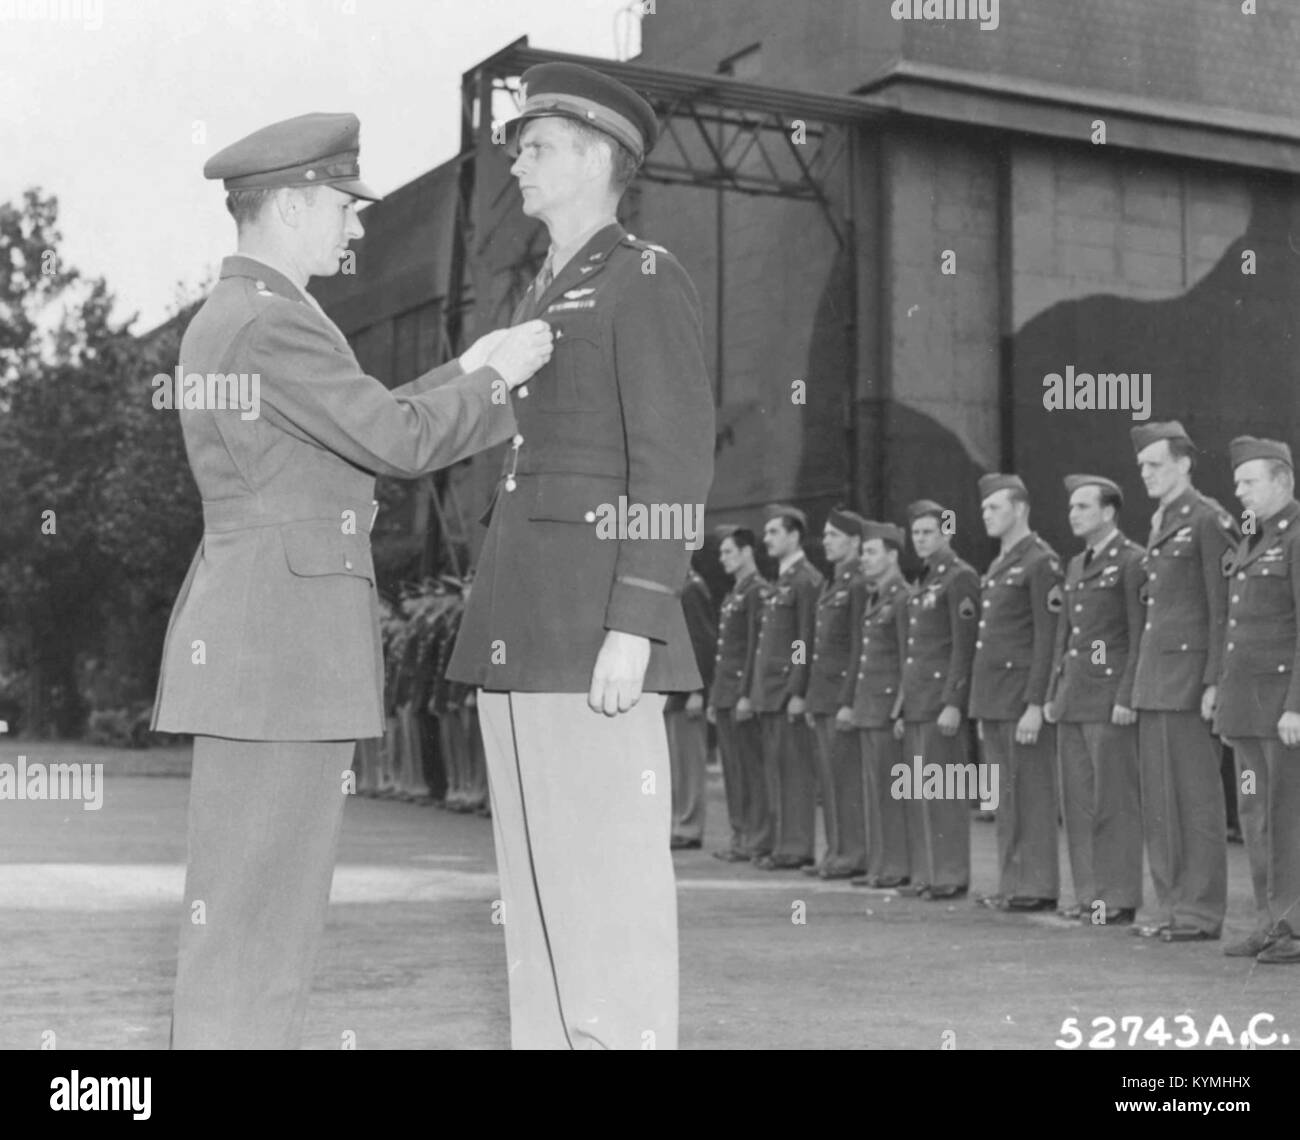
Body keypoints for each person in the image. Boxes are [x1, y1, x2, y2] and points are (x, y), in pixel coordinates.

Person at [151, 111, 552, 1048]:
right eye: (343, 206)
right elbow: (395, 440)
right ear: (291, 204)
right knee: (258, 924)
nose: (356, 226)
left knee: (257, 920)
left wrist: (467, 366)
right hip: (280, 654)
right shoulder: (271, 322)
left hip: (264, 647)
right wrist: (502, 385)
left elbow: (359, 420)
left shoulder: (251, 315)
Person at [444, 63, 716, 1049]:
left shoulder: (642, 275)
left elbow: (674, 463)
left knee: (605, 882)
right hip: (524, 626)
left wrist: (635, 624)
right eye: (518, 144)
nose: (517, 158)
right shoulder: (548, 284)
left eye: (538, 145)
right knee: (537, 886)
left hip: (591, 628)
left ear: (601, 159)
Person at [1128, 421, 1236, 943]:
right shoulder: (1163, 520)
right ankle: (1169, 905)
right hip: (1156, 682)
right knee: (1162, 803)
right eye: (1142, 466)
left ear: (1184, 463)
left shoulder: (1209, 519)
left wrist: (1215, 681)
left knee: (1195, 801)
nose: (1146, 473)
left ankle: (1198, 912)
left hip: (1190, 682)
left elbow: (1223, 609)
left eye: (1155, 464)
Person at [1044, 475, 1145, 926]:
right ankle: (1089, 896)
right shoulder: (1074, 565)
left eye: (1083, 506)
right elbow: (1066, 637)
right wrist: (1053, 693)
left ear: (1108, 512)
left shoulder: (1131, 561)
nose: (1074, 514)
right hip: (1074, 698)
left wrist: (1127, 695)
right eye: (1071, 507)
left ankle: (1116, 897)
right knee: (1080, 805)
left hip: (1108, 701)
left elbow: (1137, 633)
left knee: (1113, 804)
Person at [1214, 436, 1300, 964]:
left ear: (1284, 481)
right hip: (1246, 710)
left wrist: (1296, 703)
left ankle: (1292, 925)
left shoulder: (1295, 537)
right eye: (1238, 481)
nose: (1239, 491)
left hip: (1279, 709)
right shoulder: (1256, 537)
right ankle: (1272, 923)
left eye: (1250, 481)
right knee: (1256, 815)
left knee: (1286, 816)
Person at [970, 474, 1064, 913]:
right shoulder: (999, 563)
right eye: (985, 508)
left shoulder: (1040, 562)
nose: (987, 514)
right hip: (995, 697)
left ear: (1020, 509)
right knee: (1004, 797)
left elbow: (1049, 638)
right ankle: (1012, 882)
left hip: (1020, 698)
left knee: (1031, 793)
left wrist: (1036, 703)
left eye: (995, 507)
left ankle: (1037, 884)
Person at [896, 500, 980, 900]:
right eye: (916, 533)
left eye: (929, 532)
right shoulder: (925, 581)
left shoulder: (959, 578)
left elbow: (963, 647)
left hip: (939, 701)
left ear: (947, 532)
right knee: (920, 793)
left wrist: (954, 701)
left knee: (944, 793)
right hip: (918, 701)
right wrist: (901, 705)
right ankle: (928, 872)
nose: (921, 539)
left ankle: (949, 874)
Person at [749, 505, 824, 870]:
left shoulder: (804, 580)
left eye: (774, 532)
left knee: (794, 774)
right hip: (771, 692)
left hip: (784, 692)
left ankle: (795, 846)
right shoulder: (782, 580)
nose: (767, 539)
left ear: (794, 536)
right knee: (778, 772)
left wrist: (797, 689)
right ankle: (783, 843)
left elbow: (803, 639)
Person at [847, 521, 915, 890]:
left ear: (892, 556)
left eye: (872, 552)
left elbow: (908, 657)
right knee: (875, 792)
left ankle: (895, 866)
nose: (865, 559)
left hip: (887, 706)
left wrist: (900, 708)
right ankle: (880, 864)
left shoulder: (902, 597)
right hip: (870, 706)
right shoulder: (877, 597)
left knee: (890, 793)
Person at [805, 509, 868, 879]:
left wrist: (847, 699)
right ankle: (836, 849)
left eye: (834, 535)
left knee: (846, 780)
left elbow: (859, 645)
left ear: (855, 542)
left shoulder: (858, 584)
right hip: (824, 694)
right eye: (825, 535)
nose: (826, 541)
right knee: (830, 781)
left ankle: (853, 852)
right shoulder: (833, 584)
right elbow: (815, 647)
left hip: (840, 693)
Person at [708, 528, 767, 862]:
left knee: (749, 770)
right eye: (722, 553)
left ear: (747, 552)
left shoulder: (757, 592)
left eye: (729, 552)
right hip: (727, 694)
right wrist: (718, 697)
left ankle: (754, 837)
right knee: (733, 771)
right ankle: (740, 835)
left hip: (740, 695)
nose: (723, 559)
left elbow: (755, 648)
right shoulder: (736, 594)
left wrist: (747, 693)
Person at [667, 564, 718, 850]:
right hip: (676, 691)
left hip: (687, 692)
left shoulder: (691, 588)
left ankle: (688, 826)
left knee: (688, 766)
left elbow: (701, 641)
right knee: (678, 766)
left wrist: (698, 691)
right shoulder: (679, 586)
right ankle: (680, 822)